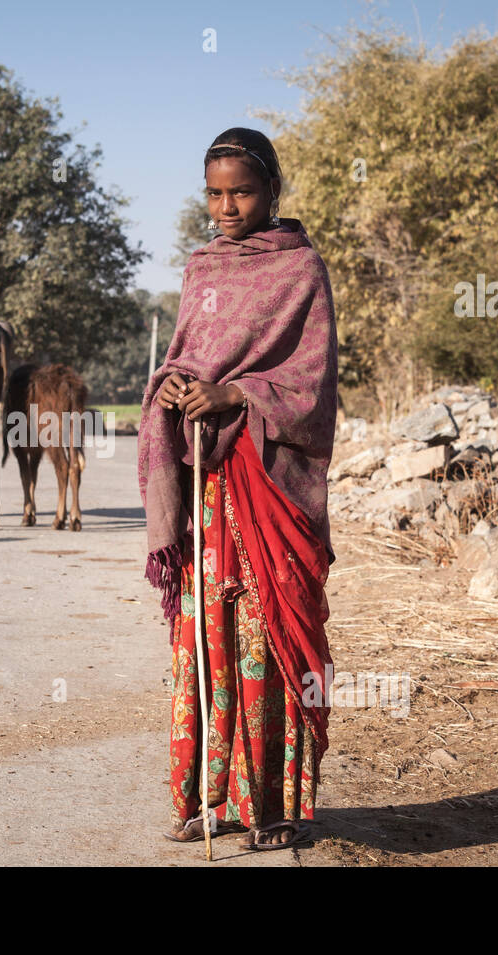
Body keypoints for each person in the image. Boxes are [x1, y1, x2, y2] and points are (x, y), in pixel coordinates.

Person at [137, 127, 338, 850]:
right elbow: (181, 358)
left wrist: (234, 395)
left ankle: (274, 807)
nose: (226, 206)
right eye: (215, 193)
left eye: (242, 191)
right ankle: (207, 799)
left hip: (265, 483)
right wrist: (178, 389)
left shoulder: (301, 270)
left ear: (272, 191)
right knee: (205, 635)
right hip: (205, 488)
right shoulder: (202, 269)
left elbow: (311, 389)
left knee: (268, 631)